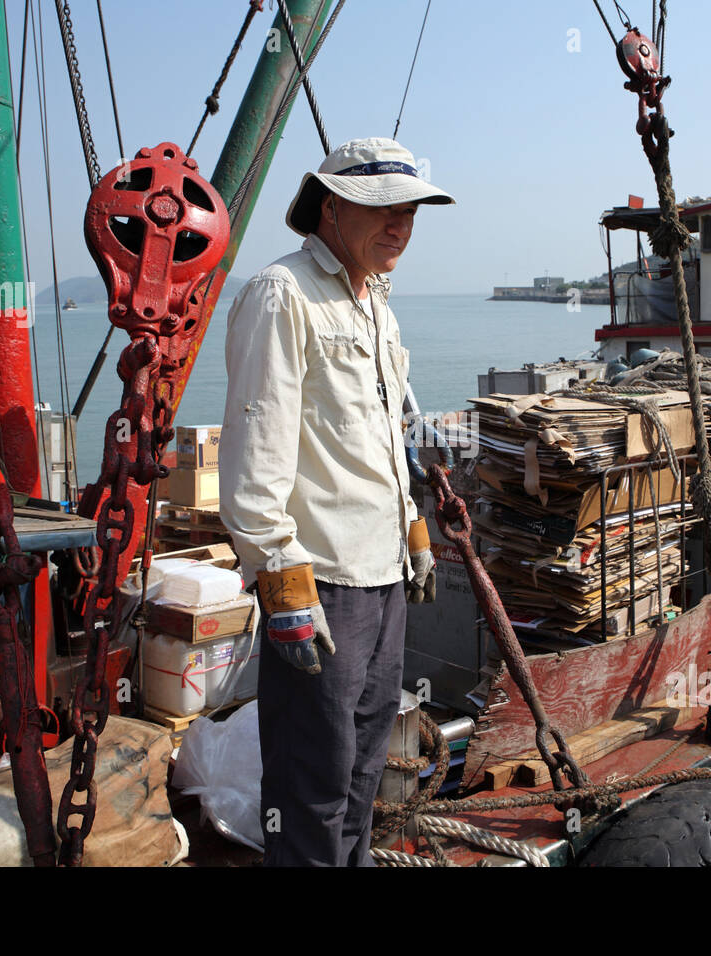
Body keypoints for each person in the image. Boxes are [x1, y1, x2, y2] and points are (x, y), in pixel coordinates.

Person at [219, 138, 454, 866]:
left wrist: (412, 526)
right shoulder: (283, 294)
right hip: (320, 584)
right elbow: (255, 448)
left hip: (379, 575)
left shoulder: (373, 305)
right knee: (310, 778)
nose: (401, 226)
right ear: (330, 207)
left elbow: (377, 439)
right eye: (383, 210)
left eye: (410, 211)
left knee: (360, 771)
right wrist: (277, 574)